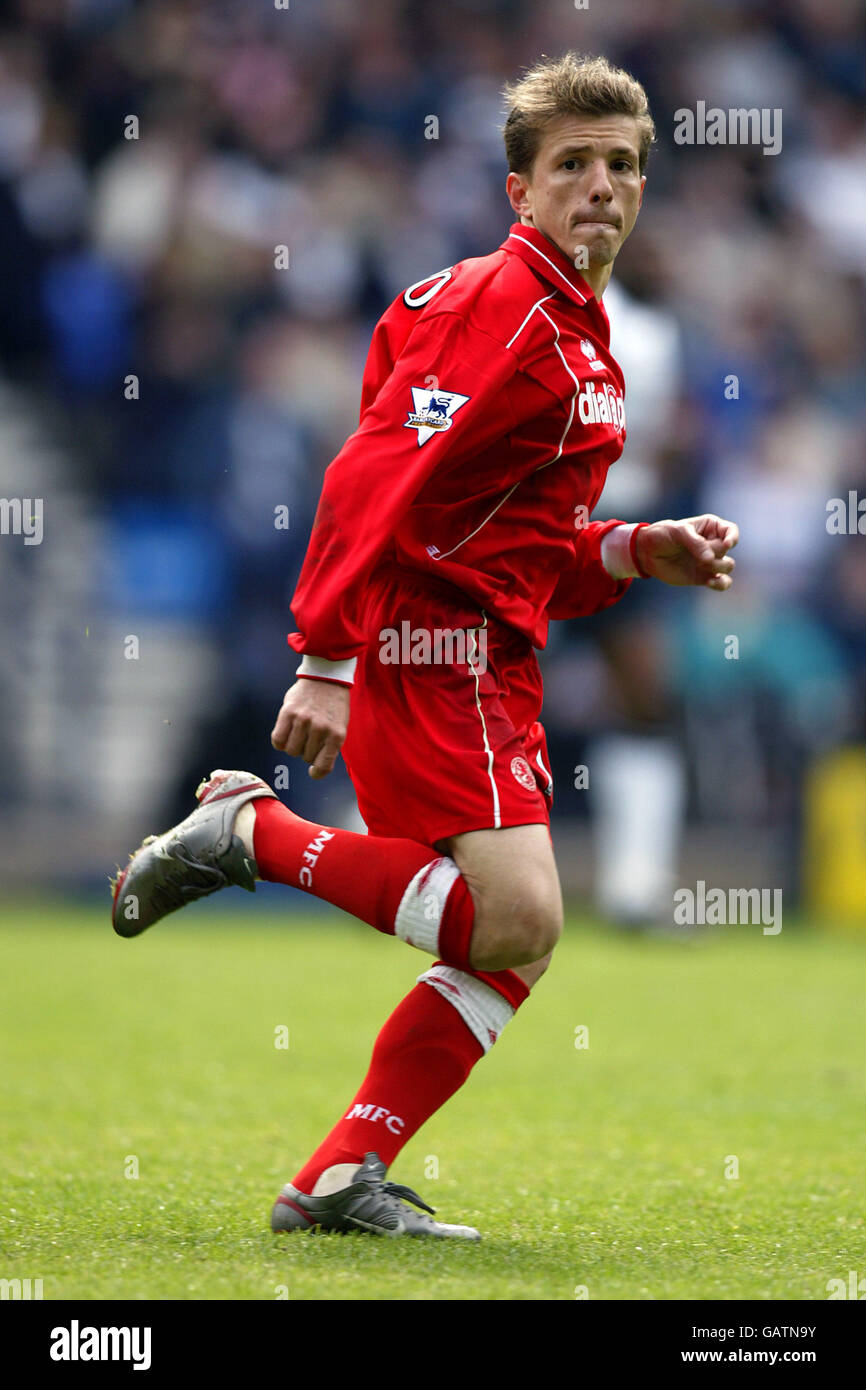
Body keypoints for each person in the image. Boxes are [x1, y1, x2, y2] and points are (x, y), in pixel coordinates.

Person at [110, 53, 738, 1240]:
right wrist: (328, 655)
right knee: (521, 920)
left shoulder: (582, 332)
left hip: (488, 649)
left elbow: (514, 536)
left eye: (620, 166)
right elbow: (369, 475)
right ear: (519, 189)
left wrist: (627, 550)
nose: (599, 185)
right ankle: (254, 835)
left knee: (511, 945)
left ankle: (341, 1172)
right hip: (431, 648)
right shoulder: (497, 308)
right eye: (571, 165)